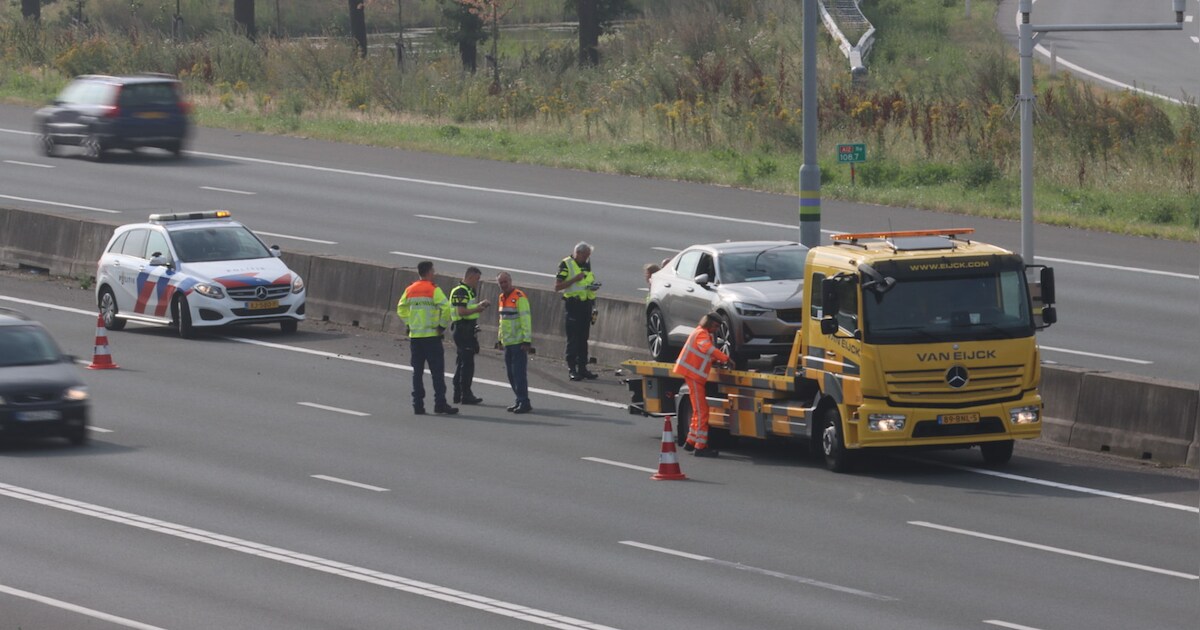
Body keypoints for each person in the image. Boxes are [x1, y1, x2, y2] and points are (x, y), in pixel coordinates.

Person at [397, 261, 457, 415]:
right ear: (429, 272)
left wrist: (410, 322)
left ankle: (418, 405)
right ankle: (440, 404)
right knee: (437, 372)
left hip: (416, 337)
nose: (434, 273)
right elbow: (447, 308)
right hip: (431, 336)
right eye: (433, 270)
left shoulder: (410, 289)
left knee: (417, 372)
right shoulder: (433, 289)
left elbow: (401, 309)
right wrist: (441, 326)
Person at [673, 312, 730, 458]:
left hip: (694, 376)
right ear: (709, 323)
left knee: (698, 411)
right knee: (702, 411)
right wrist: (725, 358)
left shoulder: (702, 333)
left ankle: (691, 441)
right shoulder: (702, 334)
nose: (716, 329)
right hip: (694, 376)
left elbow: (705, 354)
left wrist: (715, 360)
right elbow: (708, 349)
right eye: (716, 326)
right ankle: (700, 447)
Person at [555, 241, 600, 381]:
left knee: (583, 339)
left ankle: (583, 368)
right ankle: (572, 369)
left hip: (586, 305)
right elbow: (557, 286)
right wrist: (574, 279)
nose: (587, 258)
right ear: (578, 253)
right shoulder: (566, 264)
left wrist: (592, 287)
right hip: (573, 306)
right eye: (585, 255)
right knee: (573, 339)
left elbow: (584, 284)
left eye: (588, 256)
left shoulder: (586, 264)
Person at [449, 266, 489, 405]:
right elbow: (461, 311)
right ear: (470, 277)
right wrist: (477, 308)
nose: (477, 282)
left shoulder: (469, 291)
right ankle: (464, 394)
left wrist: (479, 305)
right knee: (466, 364)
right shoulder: (461, 291)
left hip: (468, 329)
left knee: (462, 361)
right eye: (477, 279)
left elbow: (468, 308)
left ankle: (458, 393)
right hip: (462, 329)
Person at [496, 272, 533, 414]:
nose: (503, 285)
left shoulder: (519, 297)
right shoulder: (501, 298)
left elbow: (526, 320)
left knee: (519, 374)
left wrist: (526, 340)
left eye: (505, 282)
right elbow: (502, 321)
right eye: (501, 283)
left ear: (510, 281)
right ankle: (519, 399)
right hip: (508, 343)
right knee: (511, 375)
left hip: (518, 342)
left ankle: (524, 401)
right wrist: (500, 339)